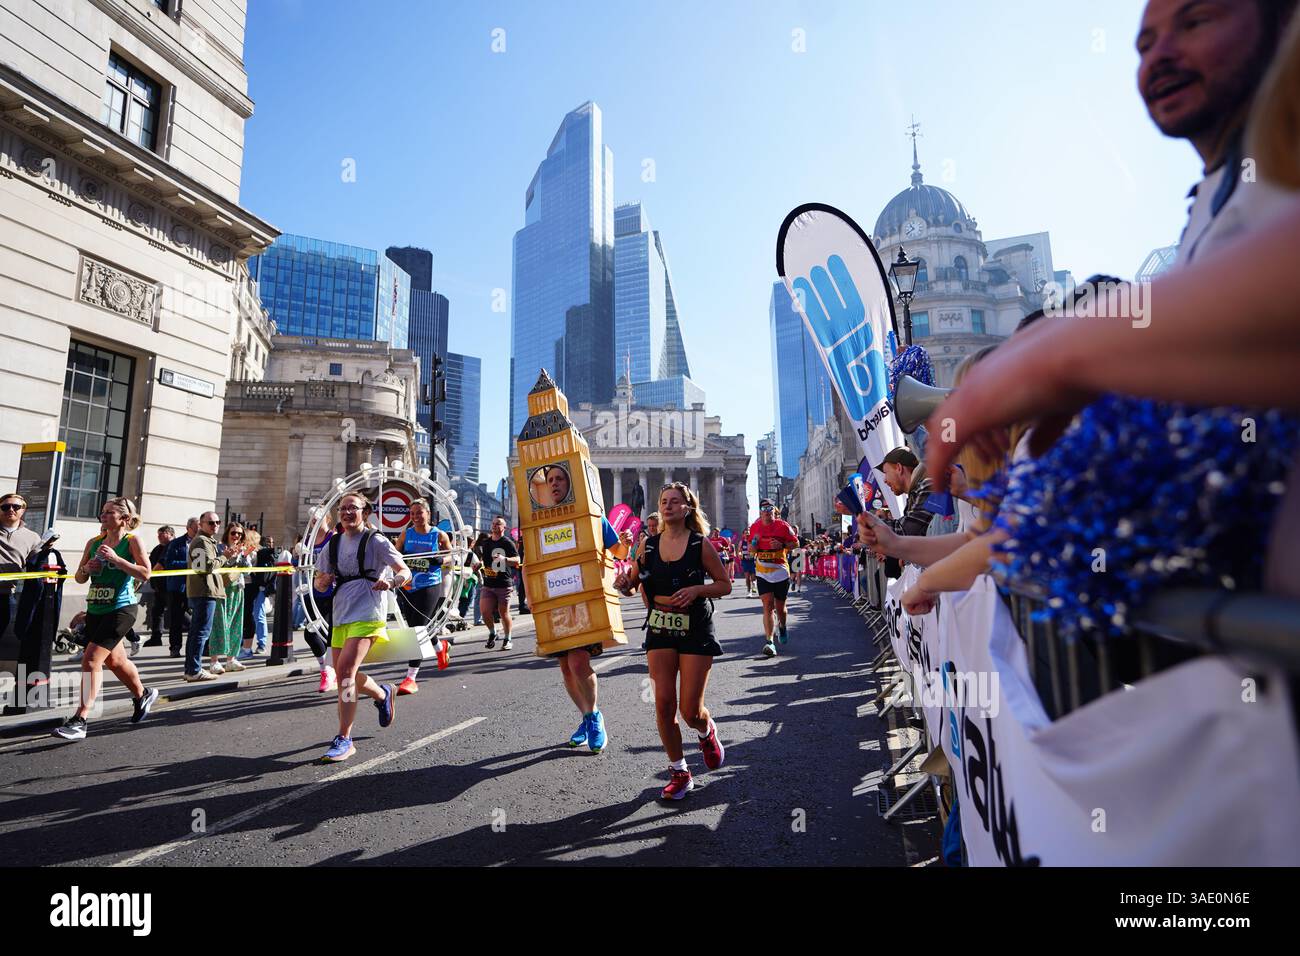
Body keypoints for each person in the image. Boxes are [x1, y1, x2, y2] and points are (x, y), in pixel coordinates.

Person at [1137, 0, 1297, 267]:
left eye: (1194, 23)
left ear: (1285, 23)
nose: (1158, 56)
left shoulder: (1285, 168)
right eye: (1145, 46)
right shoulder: (1209, 200)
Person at [617, 483, 730, 799]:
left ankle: (706, 731)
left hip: (695, 628)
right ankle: (680, 771)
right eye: (663, 501)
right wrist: (624, 582)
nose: (667, 506)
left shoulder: (699, 544)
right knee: (664, 705)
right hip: (660, 627)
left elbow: (724, 585)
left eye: (674, 501)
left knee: (690, 710)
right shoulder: (649, 547)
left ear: (687, 508)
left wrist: (696, 590)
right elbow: (630, 584)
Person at [312, 492, 410, 762]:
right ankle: (382, 693)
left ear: (365, 512)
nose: (346, 513)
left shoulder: (376, 540)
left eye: (352, 508)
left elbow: (404, 570)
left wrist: (392, 582)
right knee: (347, 674)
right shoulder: (333, 544)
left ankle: (344, 738)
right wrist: (322, 582)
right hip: (341, 613)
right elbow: (320, 581)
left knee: (344, 672)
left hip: (368, 612)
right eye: (343, 508)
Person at [52, 497, 159, 740]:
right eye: (103, 511)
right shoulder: (94, 542)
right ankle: (142, 694)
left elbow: (146, 572)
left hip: (122, 608)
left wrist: (117, 560)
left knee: (91, 660)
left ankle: (80, 719)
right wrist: (87, 569)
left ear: (124, 519)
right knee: (116, 662)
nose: (103, 515)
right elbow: (79, 578)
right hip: (97, 609)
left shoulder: (132, 541)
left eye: (109, 512)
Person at [554, 515, 632, 753]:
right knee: (566, 668)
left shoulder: (593, 515)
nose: (555, 483)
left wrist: (625, 543)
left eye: (560, 477)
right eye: (552, 478)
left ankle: (593, 716)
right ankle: (587, 718)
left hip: (585, 595)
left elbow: (618, 551)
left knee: (578, 663)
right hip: (555, 597)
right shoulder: (543, 519)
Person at [394, 499, 452, 695]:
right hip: (408, 586)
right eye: (412, 514)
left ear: (428, 514)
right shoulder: (406, 534)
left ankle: (411, 678)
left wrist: (441, 560)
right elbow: (396, 554)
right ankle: (440, 647)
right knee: (419, 626)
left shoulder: (439, 534)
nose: (416, 517)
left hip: (429, 585)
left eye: (419, 513)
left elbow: (452, 557)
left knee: (417, 630)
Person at [746, 499, 799, 658]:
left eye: (769, 508)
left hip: (780, 570)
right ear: (760, 511)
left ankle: (782, 626)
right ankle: (769, 641)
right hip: (763, 571)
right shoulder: (755, 527)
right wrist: (754, 548)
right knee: (768, 605)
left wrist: (782, 545)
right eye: (764, 508)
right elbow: (751, 550)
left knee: (780, 607)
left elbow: (795, 543)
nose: (767, 510)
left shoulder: (782, 526)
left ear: (773, 510)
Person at [183, 512, 232, 682]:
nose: (215, 525)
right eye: (211, 522)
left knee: (197, 632)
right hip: (204, 592)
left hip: (206, 591)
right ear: (201, 524)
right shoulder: (201, 541)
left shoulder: (207, 541)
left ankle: (191, 669)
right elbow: (204, 567)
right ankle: (194, 670)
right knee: (201, 632)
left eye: (218, 522)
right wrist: (225, 556)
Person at [206, 521, 249, 674]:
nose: (236, 536)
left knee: (236, 624)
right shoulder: (219, 548)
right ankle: (214, 661)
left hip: (238, 588)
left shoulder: (243, 550)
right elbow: (216, 566)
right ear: (227, 534)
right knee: (219, 624)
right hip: (222, 589)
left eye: (239, 533)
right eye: (233, 533)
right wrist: (231, 557)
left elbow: (248, 571)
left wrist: (244, 557)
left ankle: (231, 659)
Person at [0, 493, 41, 650]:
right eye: (5, 506)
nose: (10, 509)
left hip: (6, 596)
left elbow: (36, 564)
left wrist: (45, 551)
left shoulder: (32, 537)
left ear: (23, 510)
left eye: (16, 507)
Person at [304, 511, 339, 692]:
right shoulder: (307, 541)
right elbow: (301, 563)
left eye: (317, 518)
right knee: (310, 634)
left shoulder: (333, 538)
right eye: (311, 519)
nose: (314, 521)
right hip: (313, 591)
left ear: (327, 518)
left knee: (330, 635)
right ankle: (325, 669)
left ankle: (329, 672)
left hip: (333, 592)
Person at [476, 516, 519, 650]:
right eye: (493, 523)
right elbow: (485, 560)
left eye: (498, 524)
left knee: (503, 612)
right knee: (484, 611)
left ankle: (508, 638)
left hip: (503, 584)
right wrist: (479, 564)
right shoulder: (487, 542)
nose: (494, 526)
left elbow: (517, 560)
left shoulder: (507, 542)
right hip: (488, 584)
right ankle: (493, 632)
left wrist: (504, 559)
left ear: (503, 528)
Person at [163, 517, 198, 659]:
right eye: (195, 529)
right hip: (179, 587)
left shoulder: (202, 543)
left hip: (197, 586)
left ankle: (195, 648)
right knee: (176, 618)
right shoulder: (176, 544)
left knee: (198, 618)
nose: (197, 532)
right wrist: (189, 564)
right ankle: (175, 647)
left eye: (199, 530)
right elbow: (169, 563)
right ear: (188, 528)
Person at [143, 525, 174, 646]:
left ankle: (193, 627)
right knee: (156, 612)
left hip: (171, 586)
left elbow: (162, 564)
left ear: (170, 534)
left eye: (162, 534)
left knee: (177, 613)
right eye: (158, 534)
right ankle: (156, 637)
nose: (159, 537)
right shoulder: (157, 549)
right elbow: (150, 564)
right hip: (159, 587)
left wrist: (150, 574)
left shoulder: (173, 546)